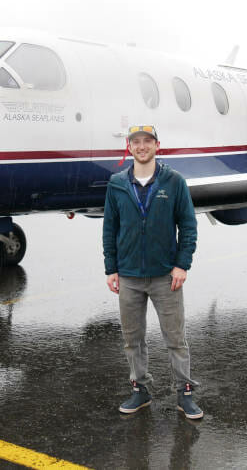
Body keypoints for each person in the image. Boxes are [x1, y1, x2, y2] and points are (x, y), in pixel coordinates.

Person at [102, 125, 201, 419]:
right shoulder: (117, 184)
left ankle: (184, 393)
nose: (142, 146)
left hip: (164, 278)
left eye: (147, 141)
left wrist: (182, 264)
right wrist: (111, 268)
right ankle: (140, 390)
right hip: (129, 276)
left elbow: (188, 225)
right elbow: (110, 228)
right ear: (129, 147)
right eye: (136, 142)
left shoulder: (174, 182)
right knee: (133, 339)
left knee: (175, 339)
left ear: (157, 145)